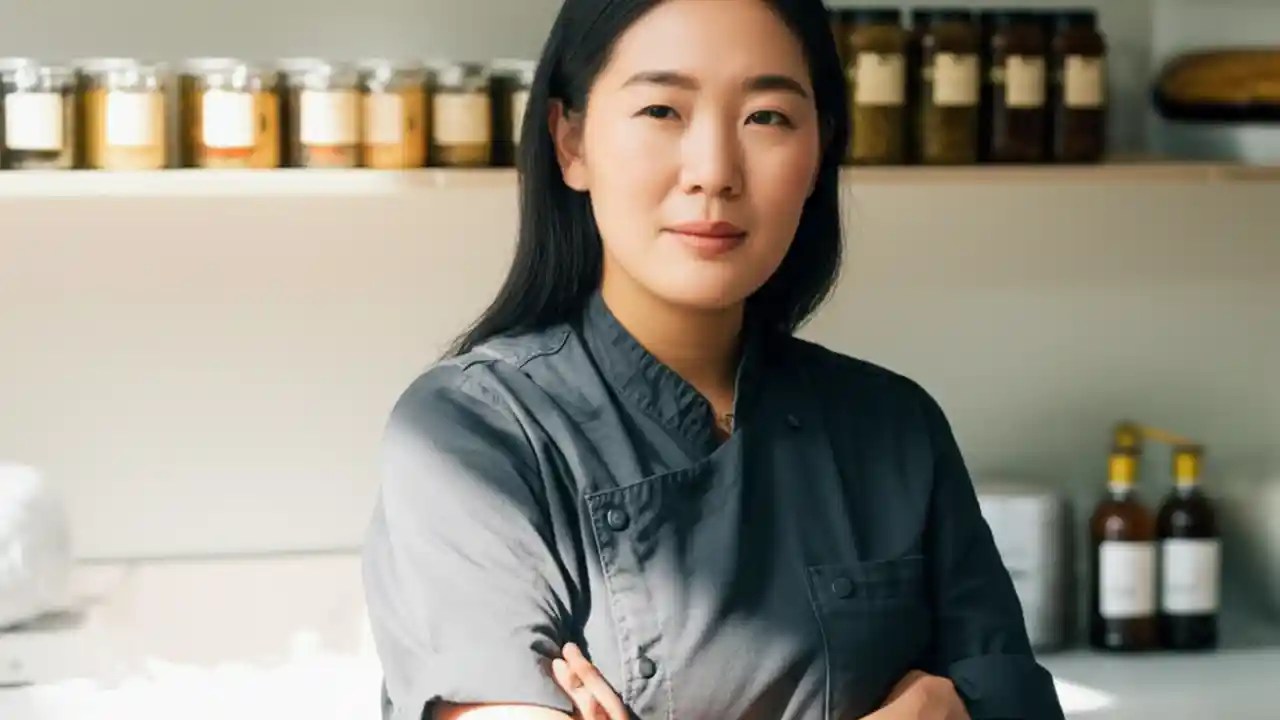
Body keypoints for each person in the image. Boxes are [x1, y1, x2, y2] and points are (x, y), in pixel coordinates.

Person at [362, 0, 1066, 719]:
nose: (715, 172)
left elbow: (1011, 695)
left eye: (767, 117)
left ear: (819, 150)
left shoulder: (893, 426)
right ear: (570, 142)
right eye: (663, 110)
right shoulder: (473, 433)